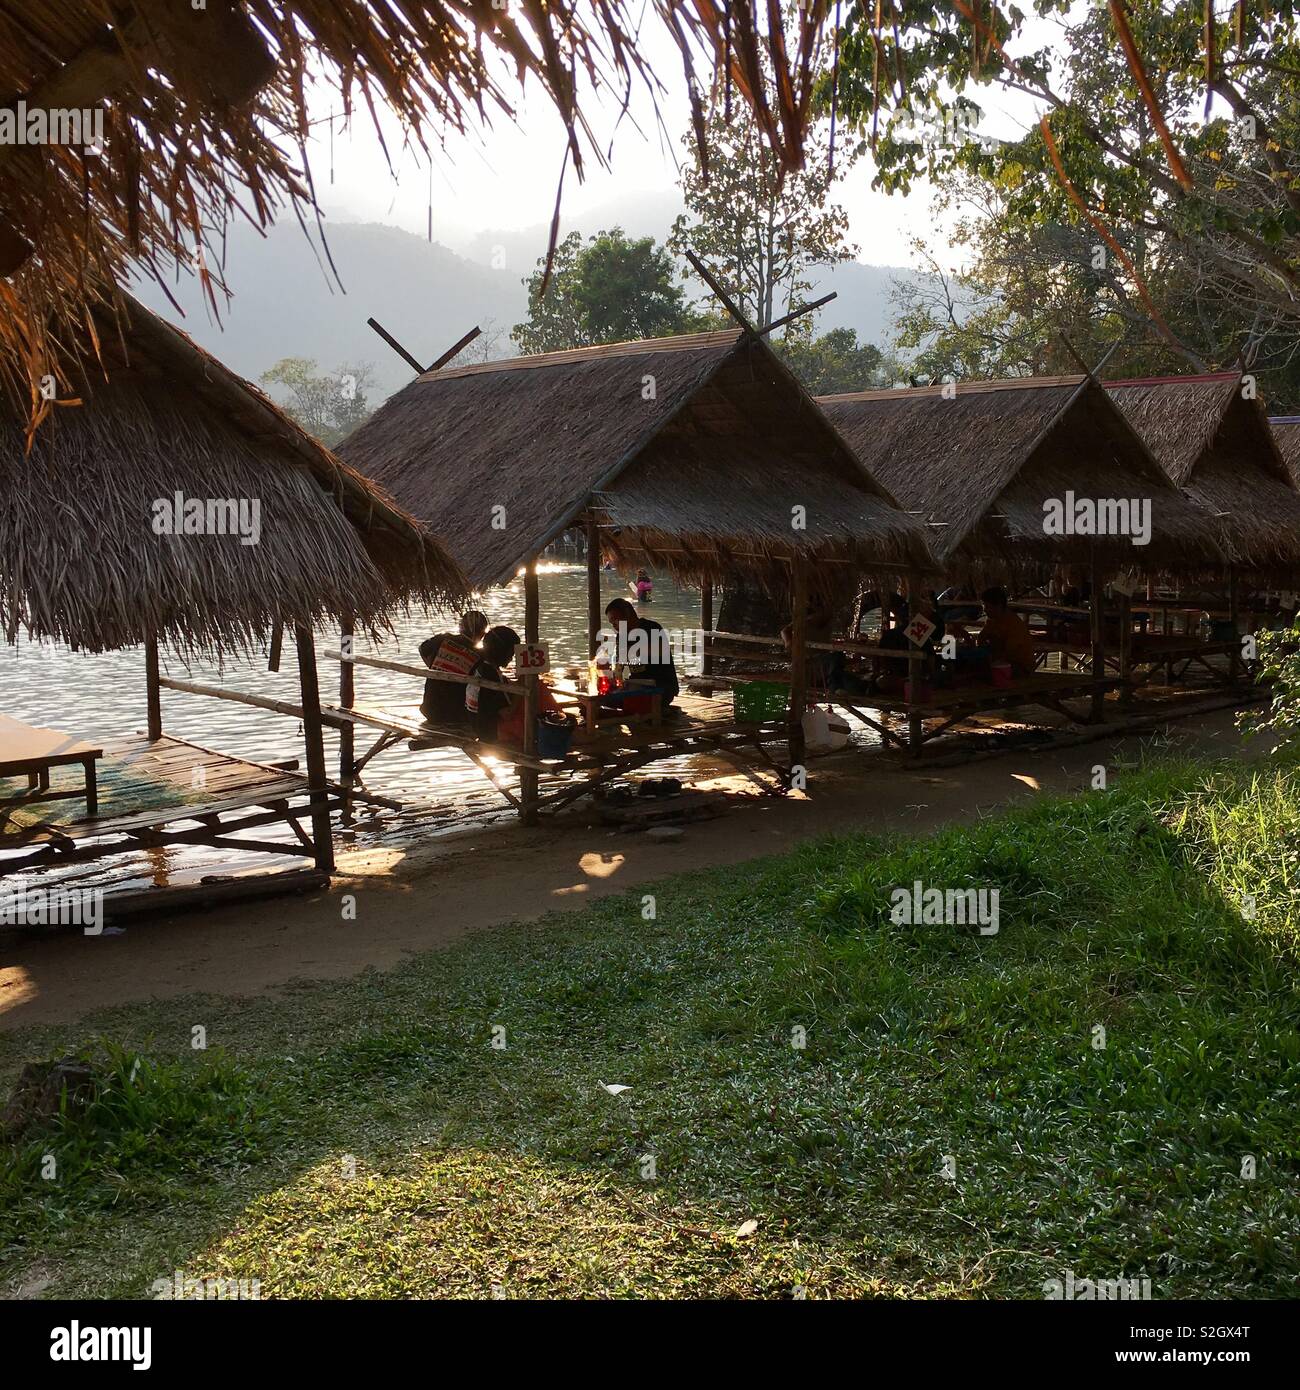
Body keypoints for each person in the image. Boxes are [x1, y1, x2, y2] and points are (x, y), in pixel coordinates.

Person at [604, 598, 679, 707]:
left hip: (661, 688)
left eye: (615, 620)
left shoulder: (652, 628)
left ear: (627, 613)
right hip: (636, 686)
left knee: (622, 702)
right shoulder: (621, 636)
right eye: (611, 623)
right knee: (604, 696)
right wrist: (612, 676)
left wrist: (635, 650)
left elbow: (661, 649)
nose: (614, 625)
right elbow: (619, 667)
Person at [419, 611, 487, 724]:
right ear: (482, 634)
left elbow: (422, 649)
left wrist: (434, 668)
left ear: (460, 627)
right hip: (456, 715)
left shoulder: (443, 639)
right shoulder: (480, 656)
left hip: (429, 709)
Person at [465, 625, 520, 742]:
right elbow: (507, 714)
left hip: (476, 724)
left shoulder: (481, 667)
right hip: (489, 732)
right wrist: (522, 691)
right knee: (537, 693)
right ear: (503, 651)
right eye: (512, 653)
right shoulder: (491, 676)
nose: (512, 657)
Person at [977, 586, 1035, 676]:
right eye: (983, 605)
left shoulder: (1013, 624)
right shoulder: (992, 620)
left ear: (998, 606)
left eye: (987, 606)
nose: (984, 609)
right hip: (1001, 660)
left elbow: (1009, 653)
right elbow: (981, 639)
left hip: (1020, 666)